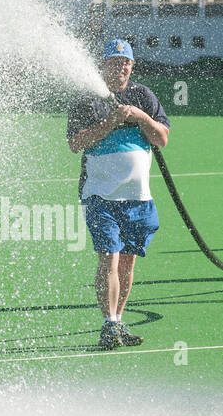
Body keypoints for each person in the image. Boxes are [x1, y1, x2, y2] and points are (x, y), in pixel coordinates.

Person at [67, 39, 171, 349]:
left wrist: (140, 117)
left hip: (138, 197)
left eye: (125, 62)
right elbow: (76, 143)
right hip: (101, 195)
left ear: (132, 66)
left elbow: (162, 138)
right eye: (114, 62)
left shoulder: (142, 95)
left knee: (127, 261)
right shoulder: (87, 99)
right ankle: (108, 323)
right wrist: (111, 121)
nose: (120, 67)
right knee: (108, 258)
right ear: (103, 66)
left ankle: (119, 322)